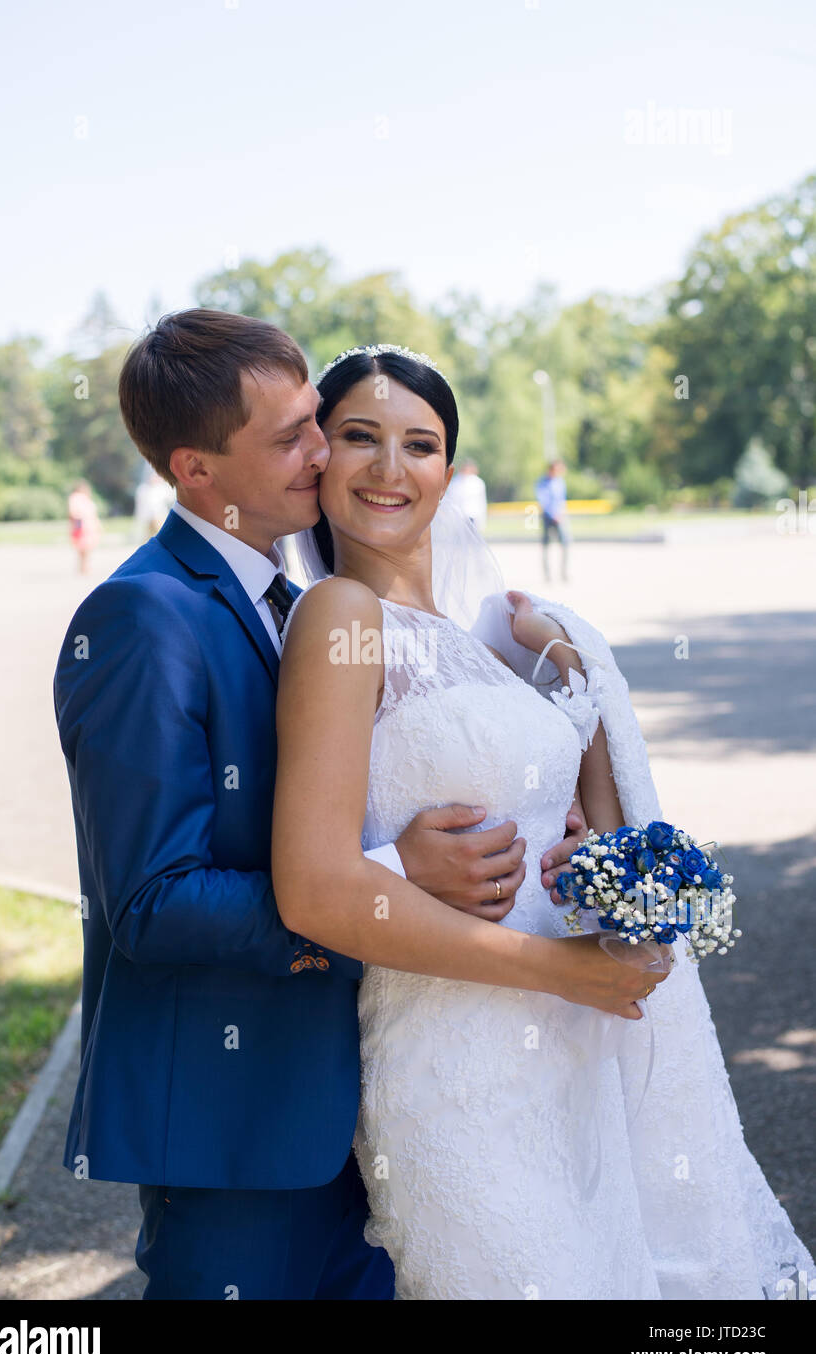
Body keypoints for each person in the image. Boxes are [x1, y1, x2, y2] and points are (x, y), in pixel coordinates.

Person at [53, 310, 607, 1302]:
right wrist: (395, 871)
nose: (323, 453)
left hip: (381, 1094)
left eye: (318, 420)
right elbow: (150, 901)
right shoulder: (142, 617)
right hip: (239, 1130)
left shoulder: (305, 598)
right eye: (293, 438)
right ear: (197, 471)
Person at [271, 343, 815, 1300]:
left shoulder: (490, 635)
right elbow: (316, 888)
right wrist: (561, 969)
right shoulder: (338, 616)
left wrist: (572, 662)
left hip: (574, 1039)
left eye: (420, 444)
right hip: (458, 1058)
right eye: (360, 436)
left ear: (451, 471)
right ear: (320, 455)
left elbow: (605, 832)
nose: (390, 469)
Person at [535, 457, 570, 581]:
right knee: (546, 546)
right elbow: (543, 501)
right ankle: (547, 575)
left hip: (560, 517)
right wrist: (553, 514)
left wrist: (561, 513)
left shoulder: (560, 481)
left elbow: (562, 499)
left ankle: (564, 573)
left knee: (565, 544)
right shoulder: (542, 482)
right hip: (548, 517)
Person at [66, 479, 100, 575]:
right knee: (83, 547)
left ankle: (84, 567)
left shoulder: (85, 499)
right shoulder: (76, 498)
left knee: (86, 547)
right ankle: (83, 568)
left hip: (87, 526)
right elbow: (73, 512)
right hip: (82, 526)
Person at [447, 458, 487, 531]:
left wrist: (481, 520)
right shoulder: (455, 482)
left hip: (472, 514)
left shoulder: (478, 482)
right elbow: (451, 499)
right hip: (458, 516)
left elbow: (481, 502)